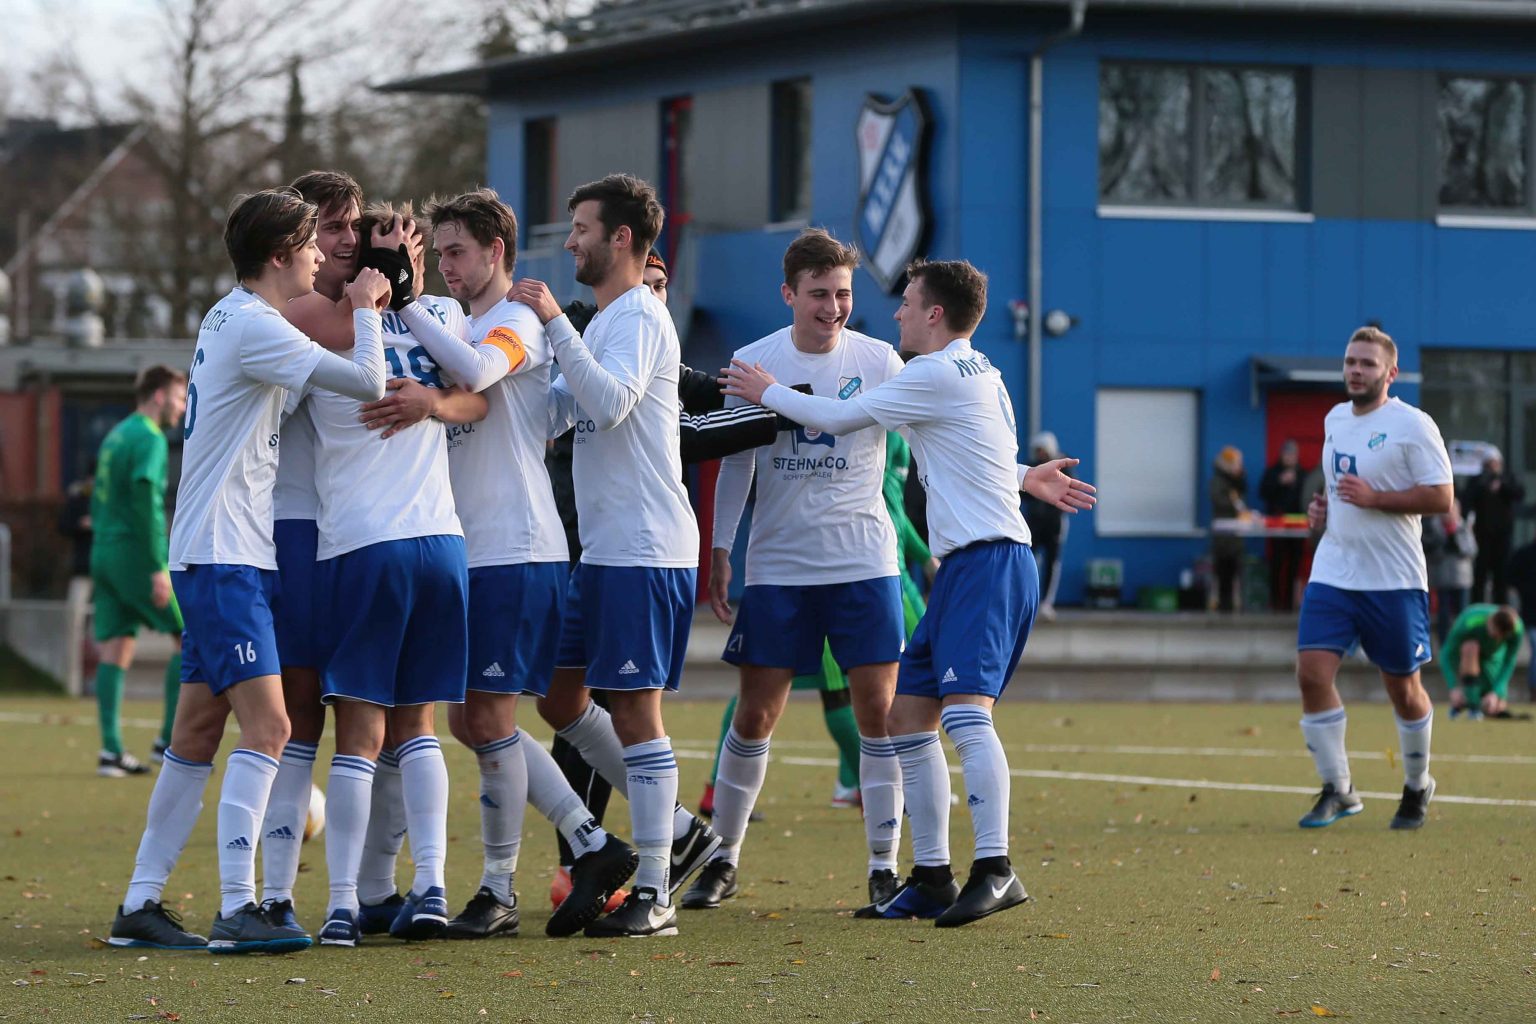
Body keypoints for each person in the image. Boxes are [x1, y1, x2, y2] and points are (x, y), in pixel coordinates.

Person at [722, 258, 1096, 927]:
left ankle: (997, 867)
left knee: (965, 715)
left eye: (906, 301)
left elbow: (835, 420)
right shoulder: (978, 370)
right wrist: (1023, 476)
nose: (892, 312)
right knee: (907, 718)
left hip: (989, 563)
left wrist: (766, 388)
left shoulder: (930, 373)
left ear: (933, 314)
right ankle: (929, 874)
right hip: (965, 567)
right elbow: (974, 453)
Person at [107, 188, 391, 952]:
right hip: (226, 555)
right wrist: (367, 305)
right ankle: (240, 909)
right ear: (277, 255)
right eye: (307, 243)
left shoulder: (229, 317)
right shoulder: (256, 326)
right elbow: (365, 381)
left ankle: (141, 901)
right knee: (271, 727)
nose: (318, 255)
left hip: (219, 551)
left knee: (197, 731)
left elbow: (292, 391)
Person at [512, 173, 715, 939]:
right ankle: (681, 835)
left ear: (621, 238)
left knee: (634, 712)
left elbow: (610, 403)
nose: (570, 243)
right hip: (600, 552)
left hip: (644, 547)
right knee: (560, 702)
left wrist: (552, 324)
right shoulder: (604, 321)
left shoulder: (636, 317)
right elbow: (566, 409)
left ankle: (656, 890)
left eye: (581, 229)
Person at [683, 228, 908, 913]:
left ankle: (883, 865)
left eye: (843, 294)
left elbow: (917, 444)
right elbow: (735, 459)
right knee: (755, 715)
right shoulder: (752, 360)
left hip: (864, 562)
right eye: (819, 294)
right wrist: (720, 550)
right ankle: (722, 859)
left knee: (879, 714)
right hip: (780, 565)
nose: (833, 307)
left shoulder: (881, 360)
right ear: (789, 294)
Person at [1294, 325, 1453, 833]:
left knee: (1403, 690)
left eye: (1366, 363)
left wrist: (1376, 498)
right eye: (1350, 362)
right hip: (1335, 568)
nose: (1356, 371)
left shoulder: (1413, 425)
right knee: (1312, 673)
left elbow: (1441, 497)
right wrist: (1322, 510)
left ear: (1390, 372)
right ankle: (1338, 789)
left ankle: (1416, 784)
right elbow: (1340, 489)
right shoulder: (1335, 418)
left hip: (1393, 578)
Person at [88, 366, 187, 776]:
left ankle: (111, 752)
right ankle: (167, 741)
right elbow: (147, 501)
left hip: (103, 551)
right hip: (133, 554)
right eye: (180, 398)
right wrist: (157, 566)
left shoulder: (117, 433)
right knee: (189, 636)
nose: (183, 408)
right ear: (160, 396)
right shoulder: (149, 437)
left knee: (117, 646)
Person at [1440, 604, 1524, 719]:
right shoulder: (1469, 621)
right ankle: (1472, 706)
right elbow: (1446, 654)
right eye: (1494, 635)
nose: (1497, 639)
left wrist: (1496, 692)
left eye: (1501, 637)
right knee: (1470, 647)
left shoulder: (1517, 629)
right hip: (1465, 657)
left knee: (1496, 708)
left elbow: (1509, 661)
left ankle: (1470, 701)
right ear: (1490, 621)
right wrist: (1453, 687)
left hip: (1493, 659)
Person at [1466, 455, 1525, 603]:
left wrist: (1502, 485)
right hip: (1483, 537)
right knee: (1480, 577)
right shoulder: (1478, 482)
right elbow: (1468, 498)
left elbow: (1519, 493)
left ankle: (1501, 612)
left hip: (1502, 538)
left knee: (1501, 578)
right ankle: (1477, 609)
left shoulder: (1507, 480)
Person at [1023, 431, 1067, 621]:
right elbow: (1023, 493)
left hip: (1054, 524)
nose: (1040, 454)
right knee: (1029, 561)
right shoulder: (1032, 469)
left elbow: (1067, 490)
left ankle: (1047, 603)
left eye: (1042, 450)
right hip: (1034, 524)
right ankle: (1027, 600)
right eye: (1037, 451)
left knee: (1052, 562)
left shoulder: (1063, 467)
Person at [1260, 439, 1307, 611]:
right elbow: (1263, 492)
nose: (1290, 458)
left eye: (1293, 454)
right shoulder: (1272, 472)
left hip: (1298, 526)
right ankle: (1274, 601)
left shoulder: (1302, 474)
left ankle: (1289, 603)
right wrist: (1280, 482)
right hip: (1277, 525)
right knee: (1276, 563)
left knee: (1294, 565)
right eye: (1287, 454)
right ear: (1282, 455)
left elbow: (1308, 495)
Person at [1423, 500, 1475, 643]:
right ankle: (1444, 644)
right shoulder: (1433, 528)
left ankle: (1462, 642)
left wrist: (1457, 541)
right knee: (1443, 615)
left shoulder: (1463, 527)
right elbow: (1428, 551)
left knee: (1462, 614)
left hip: (1461, 578)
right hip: (1441, 578)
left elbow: (1472, 550)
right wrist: (1441, 544)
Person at [1210, 446, 1248, 613]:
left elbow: (1243, 493)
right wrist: (1234, 507)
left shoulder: (1236, 481)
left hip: (1236, 535)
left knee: (1235, 571)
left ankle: (1233, 604)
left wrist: (1239, 476)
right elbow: (1220, 501)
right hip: (1223, 535)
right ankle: (1222, 605)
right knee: (1223, 571)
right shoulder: (1218, 481)